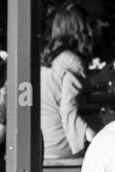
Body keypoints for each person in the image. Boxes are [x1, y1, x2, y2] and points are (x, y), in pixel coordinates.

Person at [41, 3, 99, 161]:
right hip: (62, 145)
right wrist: (96, 140)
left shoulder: (49, 60)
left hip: (42, 143)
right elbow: (68, 110)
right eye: (90, 25)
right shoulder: (72, 62)